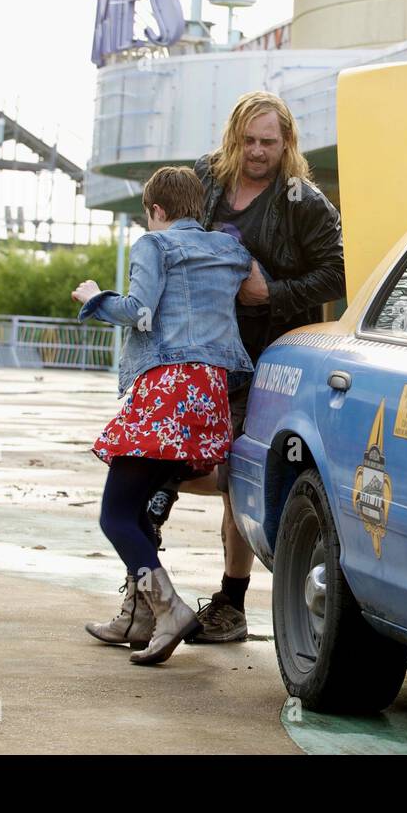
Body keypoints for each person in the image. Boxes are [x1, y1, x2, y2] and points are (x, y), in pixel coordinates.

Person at [146, 90, 345, 643]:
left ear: (287, 144)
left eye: (269, 142)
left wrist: (272, 294)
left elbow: (340, 273)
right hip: (196, 346)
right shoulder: (205, 181)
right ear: (233, 137)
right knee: (151, 456)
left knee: (235, 471)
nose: (258, 152)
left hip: (266, 357)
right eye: (249, 140)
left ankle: (230, 604)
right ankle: (145, 597)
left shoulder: (302, 200)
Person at [75, 166, 254, 665]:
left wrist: (94, 299)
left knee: (115, 516)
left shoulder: (153, 245)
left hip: (167, 390)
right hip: (209, 393)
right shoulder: (231, 251)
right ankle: (139, 616)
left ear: (155, 209)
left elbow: (139, 311)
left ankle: (169, 607)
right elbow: (250, 293)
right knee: (137, 505)